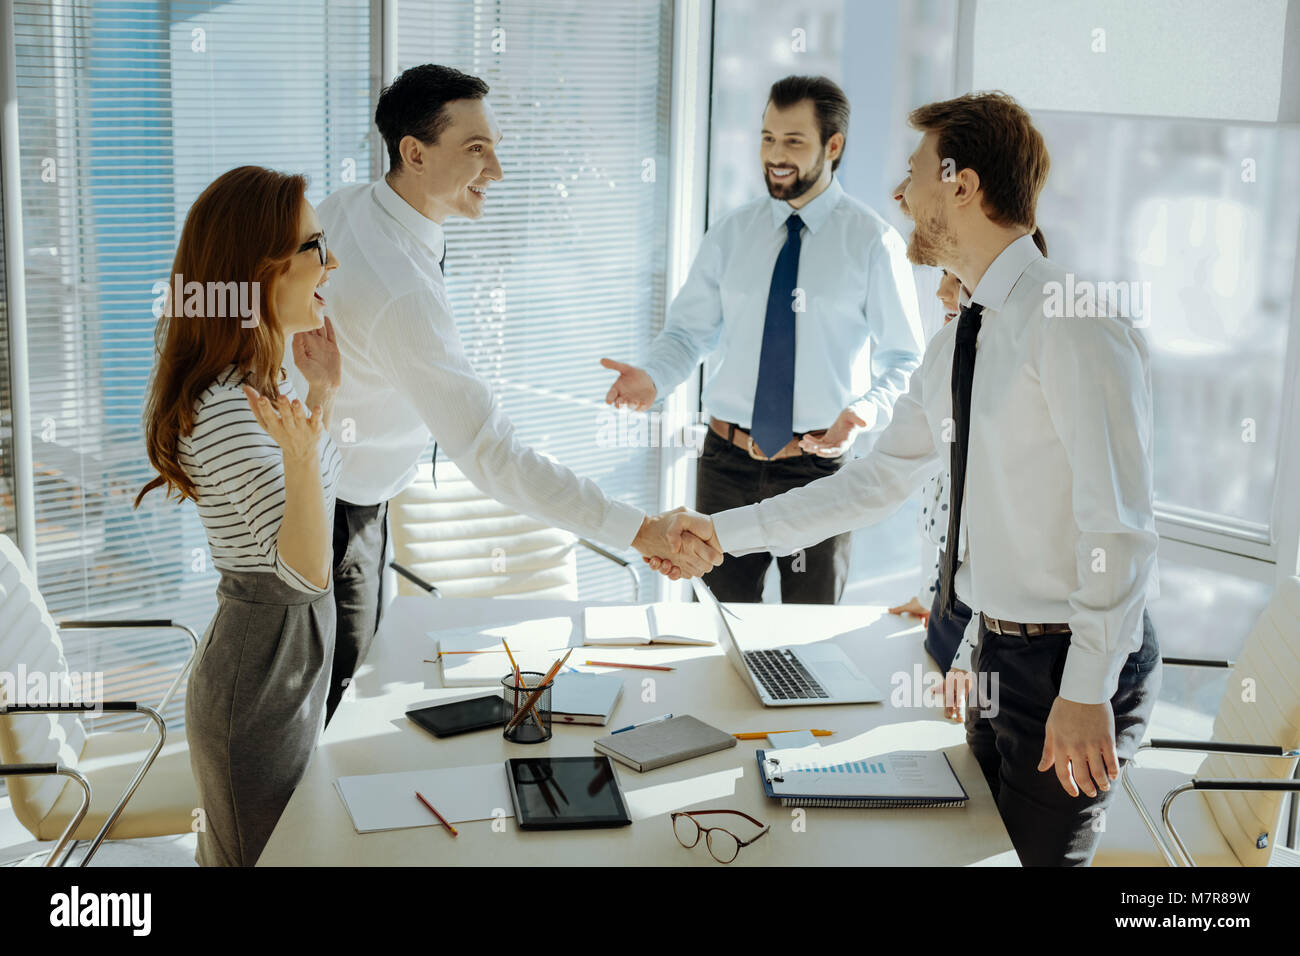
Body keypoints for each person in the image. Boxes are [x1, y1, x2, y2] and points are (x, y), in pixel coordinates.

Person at [654, 94, 1161, 867]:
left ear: (963, 184)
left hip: (1073, 665)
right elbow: (872, 483)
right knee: (973, 852)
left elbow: (1119, 531)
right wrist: (723, 533)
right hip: (997, 653)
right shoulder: (961, 339)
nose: (898, 193)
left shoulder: (1072, 321)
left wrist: (1087, 688)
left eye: (914, 172)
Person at [295, 64, 721, 724]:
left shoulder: (351, 205)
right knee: (338, 710)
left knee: (332, 696)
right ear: (414, 153)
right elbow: (493, 455)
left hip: (340, 488)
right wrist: (640, 530)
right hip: (334, 515)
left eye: (493, 147)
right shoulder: (401, 291)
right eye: (476, 150)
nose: (496, 170)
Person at [602, 75, 924, 605]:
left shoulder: (872, 243)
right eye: (767, 137)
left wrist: (865, 411)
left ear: (833, 146)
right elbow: (688, 333)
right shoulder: (732, 234)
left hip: (819, 471)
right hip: (726, 465)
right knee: (716, 626)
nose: (775, 155)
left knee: (810, 636)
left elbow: (905, 359)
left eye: (794, 141)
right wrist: (654, 376)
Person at [136, 166, 343, 866]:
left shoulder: (263, 387)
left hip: (285, 666)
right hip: (257, 686)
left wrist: (320, 394)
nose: (331, 261)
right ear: (260, 272)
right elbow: (304, 570)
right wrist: (309, 445)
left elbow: (307, 515)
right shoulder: (227, 409)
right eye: (315, 244)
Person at [890, 229, 1046, 671]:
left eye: (953, 277)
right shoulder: (946, 358)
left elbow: (1003, 556)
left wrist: (966, 657)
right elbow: (948, 535)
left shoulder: (1017, 382)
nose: (941, 291)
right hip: (950, 603)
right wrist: (929, 597)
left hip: (987, 627)